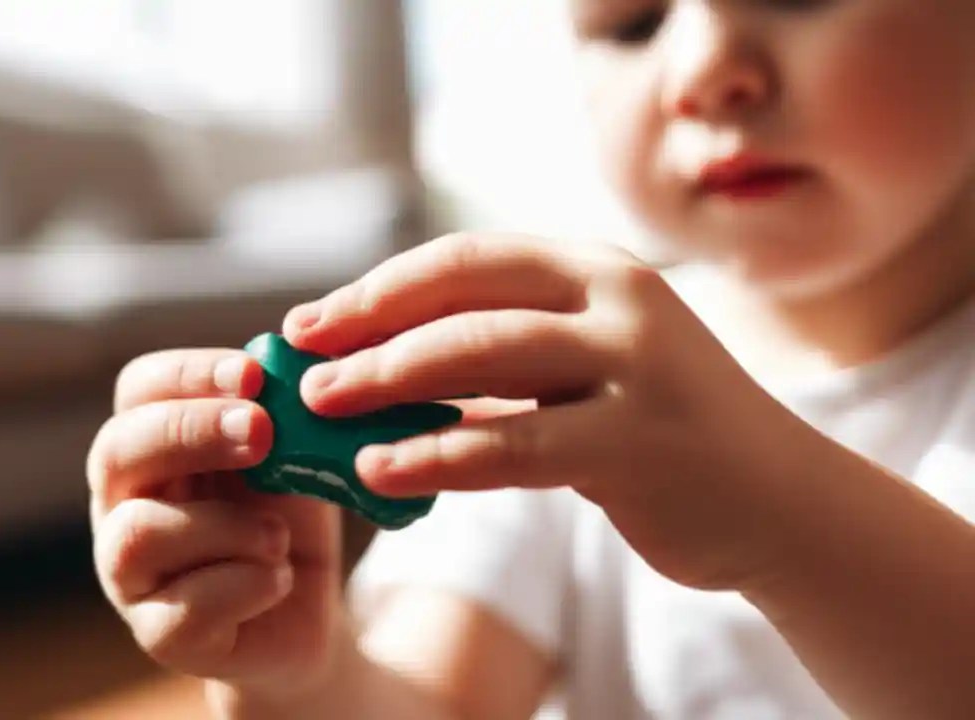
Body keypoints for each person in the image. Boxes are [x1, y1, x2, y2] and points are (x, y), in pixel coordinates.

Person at [85, 0, 975, 717]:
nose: (703, 69)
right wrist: (295, 681)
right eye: (631, 25)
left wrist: (782, 513)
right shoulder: (563, 379)